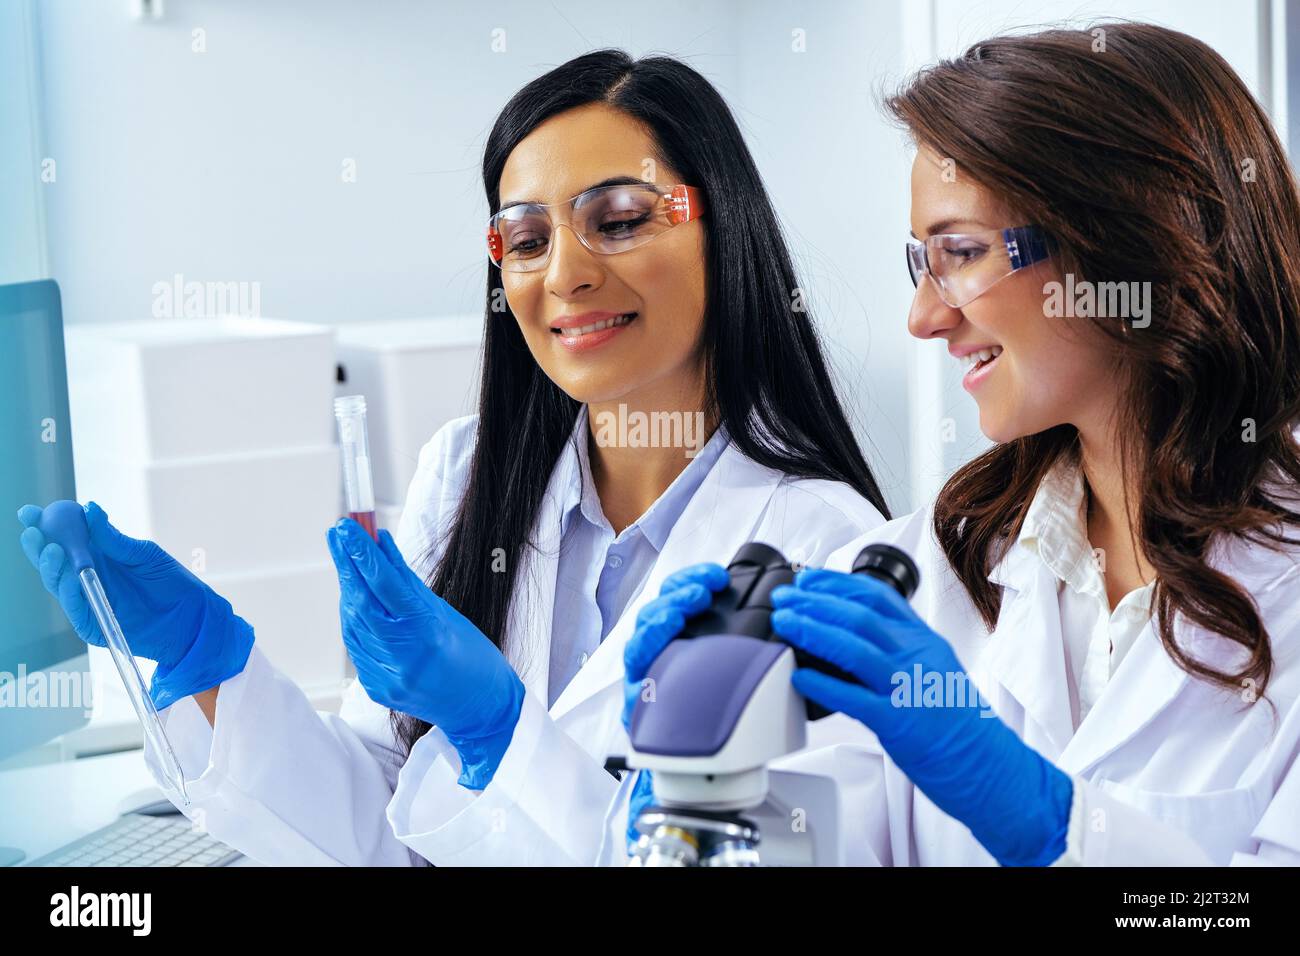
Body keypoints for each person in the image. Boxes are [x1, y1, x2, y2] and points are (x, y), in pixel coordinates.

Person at [18, 50, 890, 865]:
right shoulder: (466, 475)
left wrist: (498, 736)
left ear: (722, 226)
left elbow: (764, 855)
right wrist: (204, 664)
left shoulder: (828, 553)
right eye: (526, 239)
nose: (566, 274)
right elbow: (383, 822)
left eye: (618, 220)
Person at [615, 22, 1300, 865]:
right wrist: (691, 772)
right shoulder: (923, 570)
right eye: (922, 262)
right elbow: (801, 843)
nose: (925, 317)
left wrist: (1051, 822)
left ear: (1133, 241)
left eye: (963, 254)